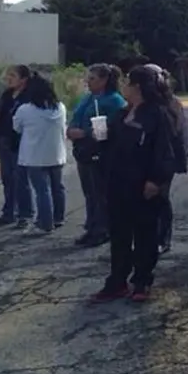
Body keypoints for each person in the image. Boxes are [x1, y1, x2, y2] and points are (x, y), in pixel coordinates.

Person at [91, 66, 178, 303]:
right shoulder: (122, 113)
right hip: (118, 183)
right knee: (119, 234)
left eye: (128, 82)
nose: (124, 86)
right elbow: (109, 144)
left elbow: (165, 151)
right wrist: (99, 135)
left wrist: (155, 180)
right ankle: (117, 280)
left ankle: (142, 280)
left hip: (143, 184)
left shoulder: (158, 114)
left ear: (138, 87)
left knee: (144, 234)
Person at [68, 64, 127, 247]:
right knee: (89, 192)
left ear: (104, 80)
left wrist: (85, 132)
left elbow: (113, 126)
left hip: (100, 151)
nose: (88, 81)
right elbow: (76, 116)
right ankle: (91, 226)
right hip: (82, 150)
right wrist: (72, 130)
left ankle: (102, 229)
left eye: (93, 78)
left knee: (99, 192)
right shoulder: (87, 98)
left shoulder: (114, 101)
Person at [12, 74, 67, 233]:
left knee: (42, 191)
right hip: (56, 153)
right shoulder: (60, 107)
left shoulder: (25, 109)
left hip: (34, 156)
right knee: (57, 187)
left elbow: (17, 128)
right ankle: (58, 218)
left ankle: (44, 223)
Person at [145, 64, 188, 255]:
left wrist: (178, 161)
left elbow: (178, 136)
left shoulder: (171, 103)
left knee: (161, 198)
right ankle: (149, 237)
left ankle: (163, 238)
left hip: (165, 159)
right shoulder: (145, 103)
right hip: (147, 157)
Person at [0, 65, 34, 229]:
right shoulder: (7, 94)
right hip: (4, 139)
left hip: (20, 142)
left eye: (13, 75)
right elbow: (0, 113)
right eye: (7, 75)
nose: (8, 78)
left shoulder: (28, 96)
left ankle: (25, 214)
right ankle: (9, 212)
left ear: (23, 79)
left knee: (21, 179)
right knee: (7, 178)